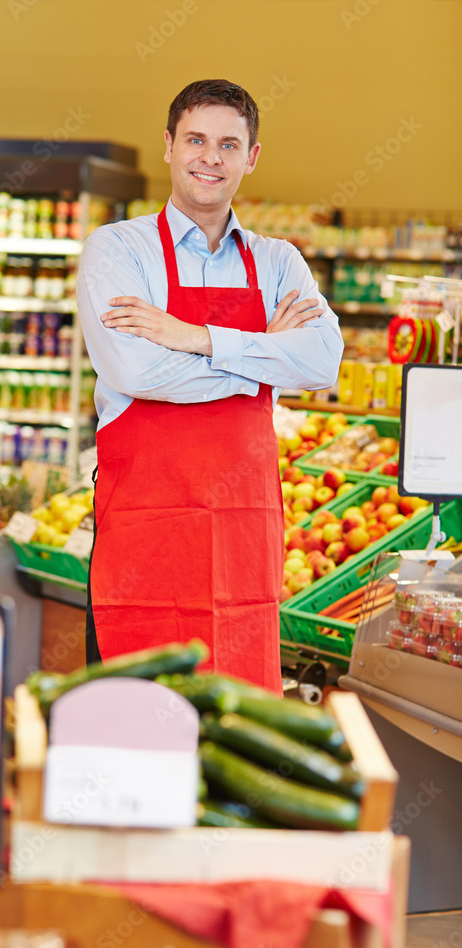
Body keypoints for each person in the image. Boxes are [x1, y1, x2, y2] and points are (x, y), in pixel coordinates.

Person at [76, 78, 343, 692]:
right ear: (168, 145)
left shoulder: (278, 261)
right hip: (145, 533)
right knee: (134, 721)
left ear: (251, 157)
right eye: (195, 139)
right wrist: (264, 356)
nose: (210, 157)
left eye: (229, 143)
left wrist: (196, 338)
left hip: (242, 536)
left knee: (236, 726)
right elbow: (135, 371)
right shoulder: (119, 249)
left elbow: (322, 363)